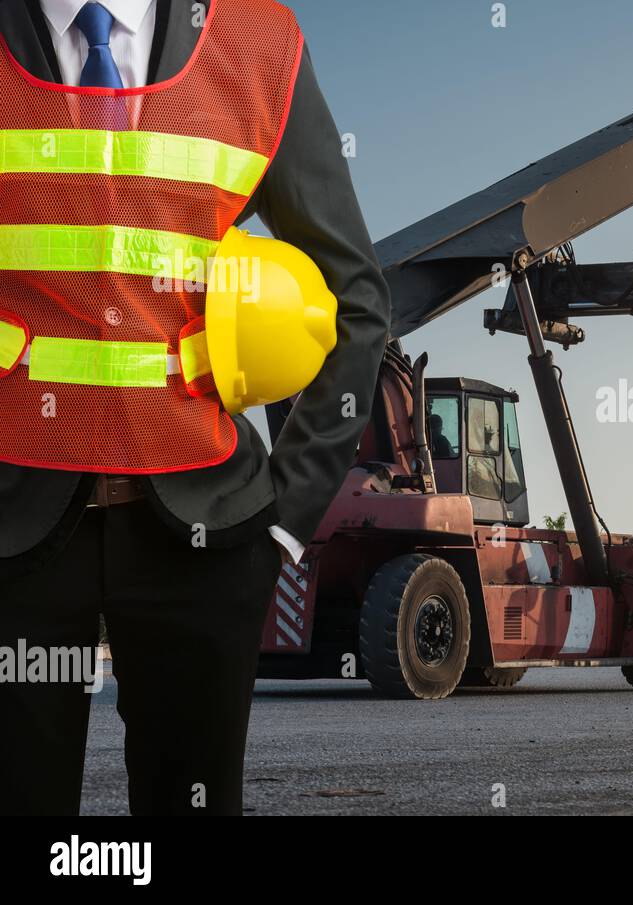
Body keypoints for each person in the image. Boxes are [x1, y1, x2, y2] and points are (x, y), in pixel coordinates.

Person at [0, 0, 390, 815]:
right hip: (12, 535)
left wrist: (287, 514)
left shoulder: (260, 42)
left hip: (204, 534)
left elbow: (357, 300)